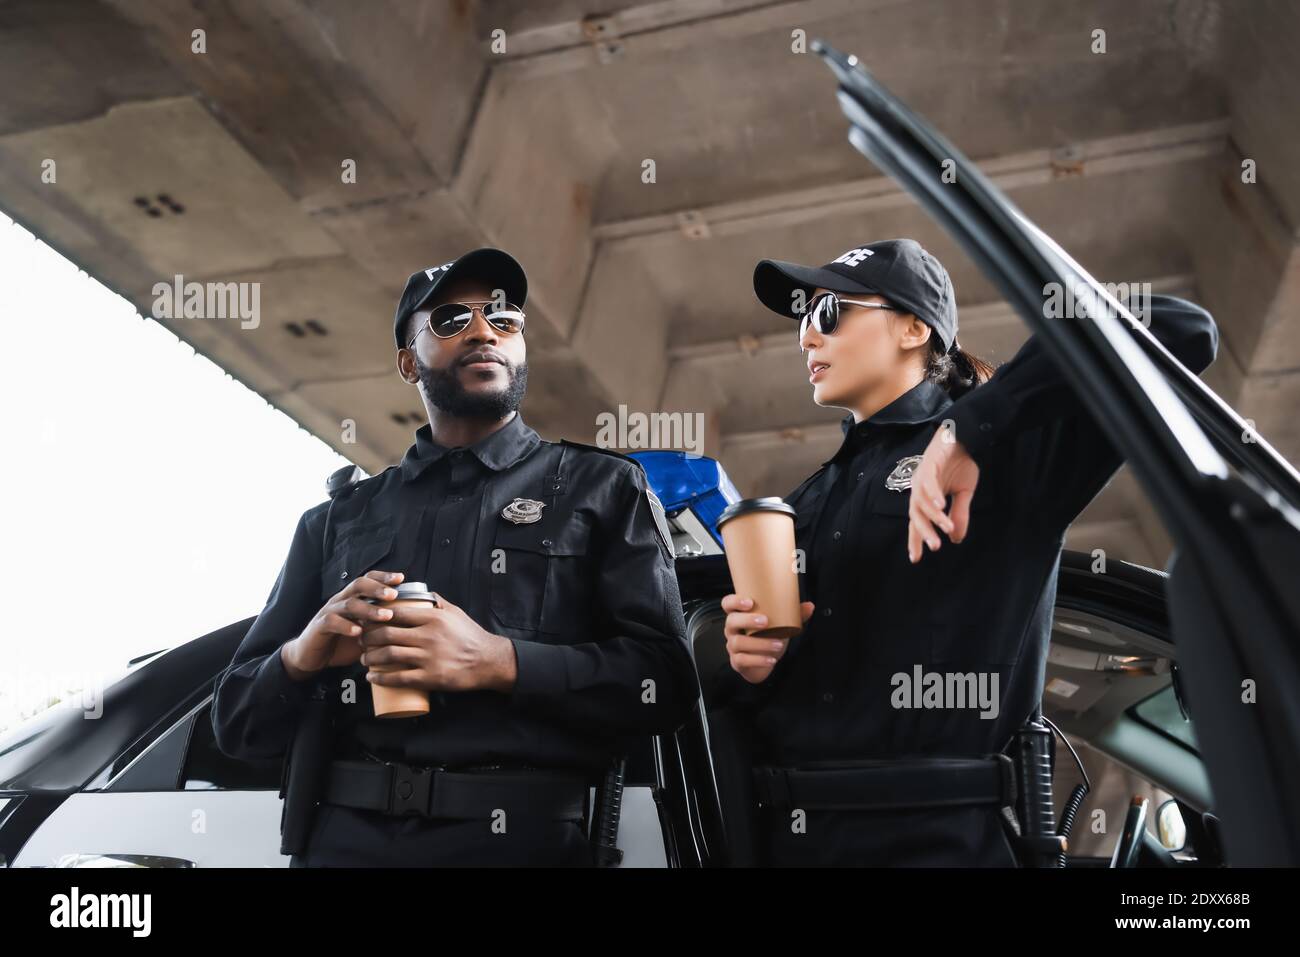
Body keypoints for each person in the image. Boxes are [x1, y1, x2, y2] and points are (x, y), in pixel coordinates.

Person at [715, 237, 1217, 866]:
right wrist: (755, 668)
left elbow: (1180, 330)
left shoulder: (1006, 453)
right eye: (801, 323)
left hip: (939, 844)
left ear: (914, 326)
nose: (806, 339)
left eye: (827, 314)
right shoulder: (804, 504)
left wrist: (975, 424)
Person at [212, 247, 698, 866]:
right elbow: (236, 727)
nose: (481, 331)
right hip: (344, 843)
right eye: (448, 320)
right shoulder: (339, 519)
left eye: (503, 318)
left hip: (524, 847)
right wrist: (302, 656)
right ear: (407, 362)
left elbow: (667, 686)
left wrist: (498, 661)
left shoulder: (601, 488)